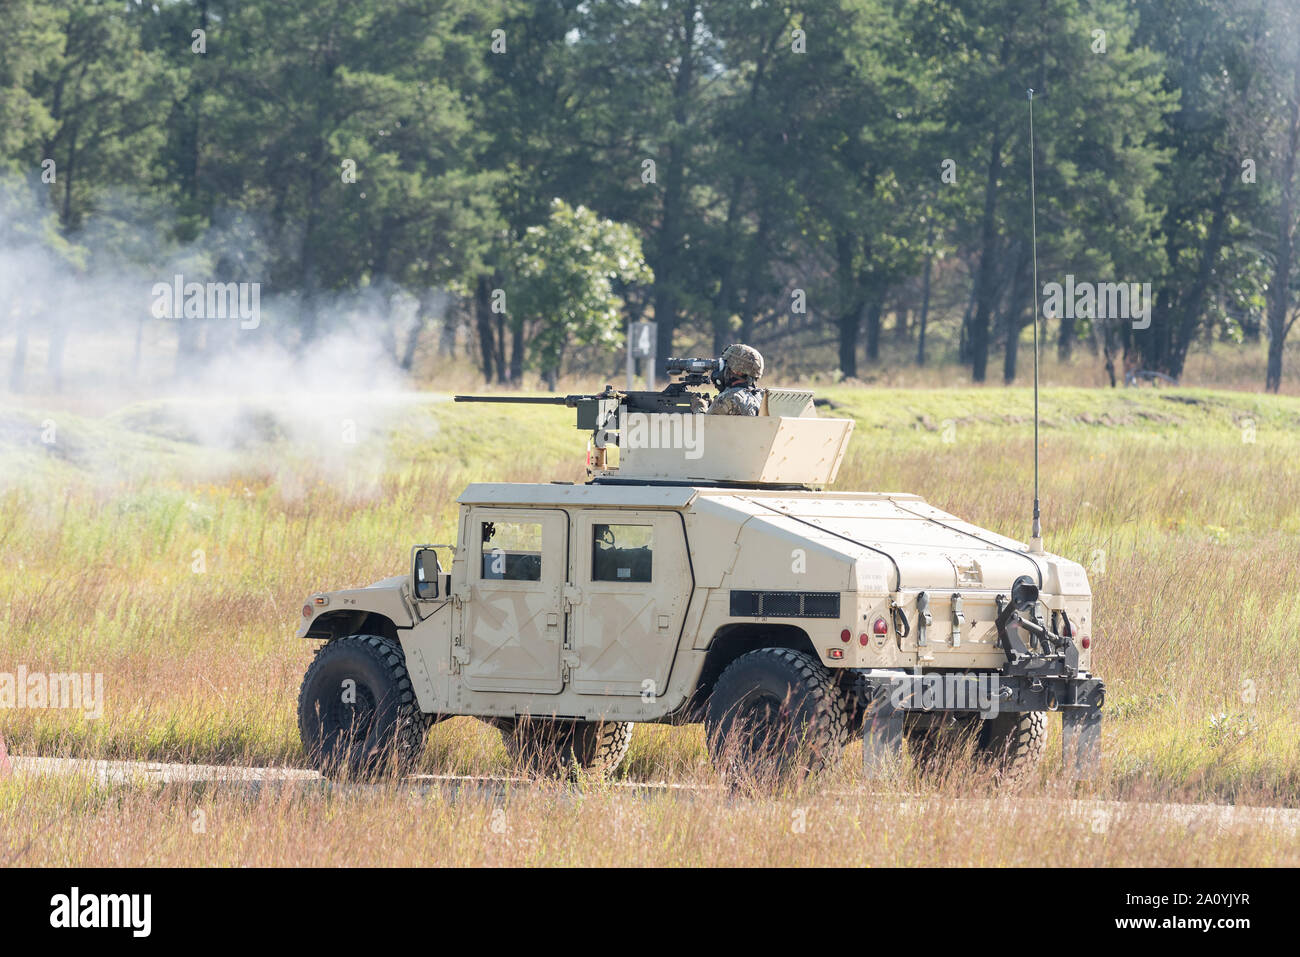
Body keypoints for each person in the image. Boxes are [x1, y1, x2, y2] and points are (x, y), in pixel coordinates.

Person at [706, 343, 764, 415]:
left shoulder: (729, 398)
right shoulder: (761, 396)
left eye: (726, 364)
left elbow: (701, 425)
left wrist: (699, 407)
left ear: (737, 371)